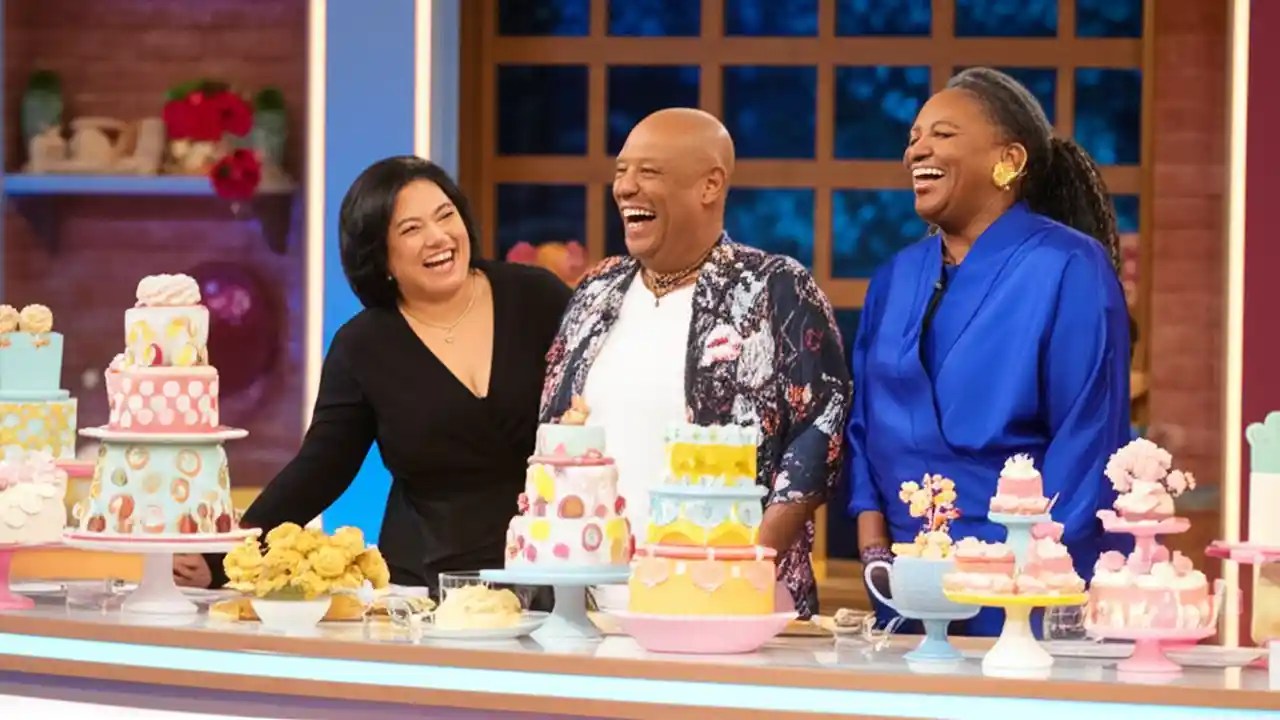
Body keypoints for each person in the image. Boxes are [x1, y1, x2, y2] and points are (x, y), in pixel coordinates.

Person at [173, 156, 572, 596]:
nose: (438, 238)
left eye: (446, 216)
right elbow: (321, 467)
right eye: (411, 229)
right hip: (422, 592)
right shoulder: (362, 345)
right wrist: (225, 555)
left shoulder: (537, 298)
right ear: (380, 255)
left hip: (547, 577)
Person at [847, 67, 1132, 636]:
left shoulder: (1069, 267)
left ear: (1009, 161)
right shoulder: (895, 278)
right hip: (905, 585)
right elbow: (862, 426)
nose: (917, 150)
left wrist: (1019, 578)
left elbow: (1087, 441)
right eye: (913, 137)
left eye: (943, 135)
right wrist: (875, 545)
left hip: (1022, 594)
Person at [540, 108, 851, 618]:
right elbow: (557, 428)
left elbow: (823, 428)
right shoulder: (595, 292)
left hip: (732, 605)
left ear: (711, 184)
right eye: (621, 172)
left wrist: (745, 566)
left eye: (649, 172)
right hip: (593, 609)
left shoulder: (774, 287)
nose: (626, 188)